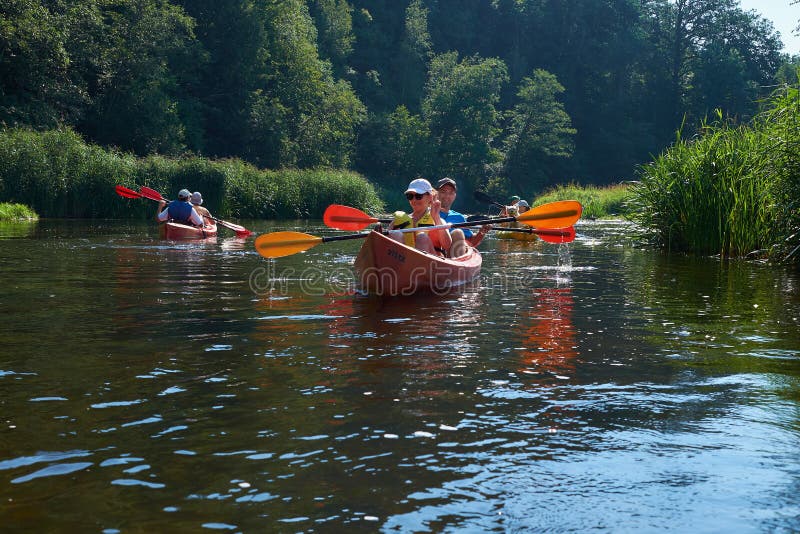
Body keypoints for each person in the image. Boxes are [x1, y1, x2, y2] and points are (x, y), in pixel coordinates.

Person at [388, 178, 452, 256]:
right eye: (410, 196)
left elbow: (447, 245)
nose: (414, 200)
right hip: (403, 262)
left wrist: (436, 218)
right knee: (396, 234)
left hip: (431, 263)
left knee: (422, 237)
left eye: (418, 196)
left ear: (430, 197)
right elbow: (383, 243)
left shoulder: (438, 220)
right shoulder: (398, 220)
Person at [436, 177, 490, 252]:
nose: (447, 196)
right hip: (432, 252)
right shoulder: (426, 214)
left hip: (452, 256)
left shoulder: (459, 217)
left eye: (451, 193)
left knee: (458, 233)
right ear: (436, 193)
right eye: (443, 192)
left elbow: (471, 242)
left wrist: (481, 232)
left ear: (454, 196)